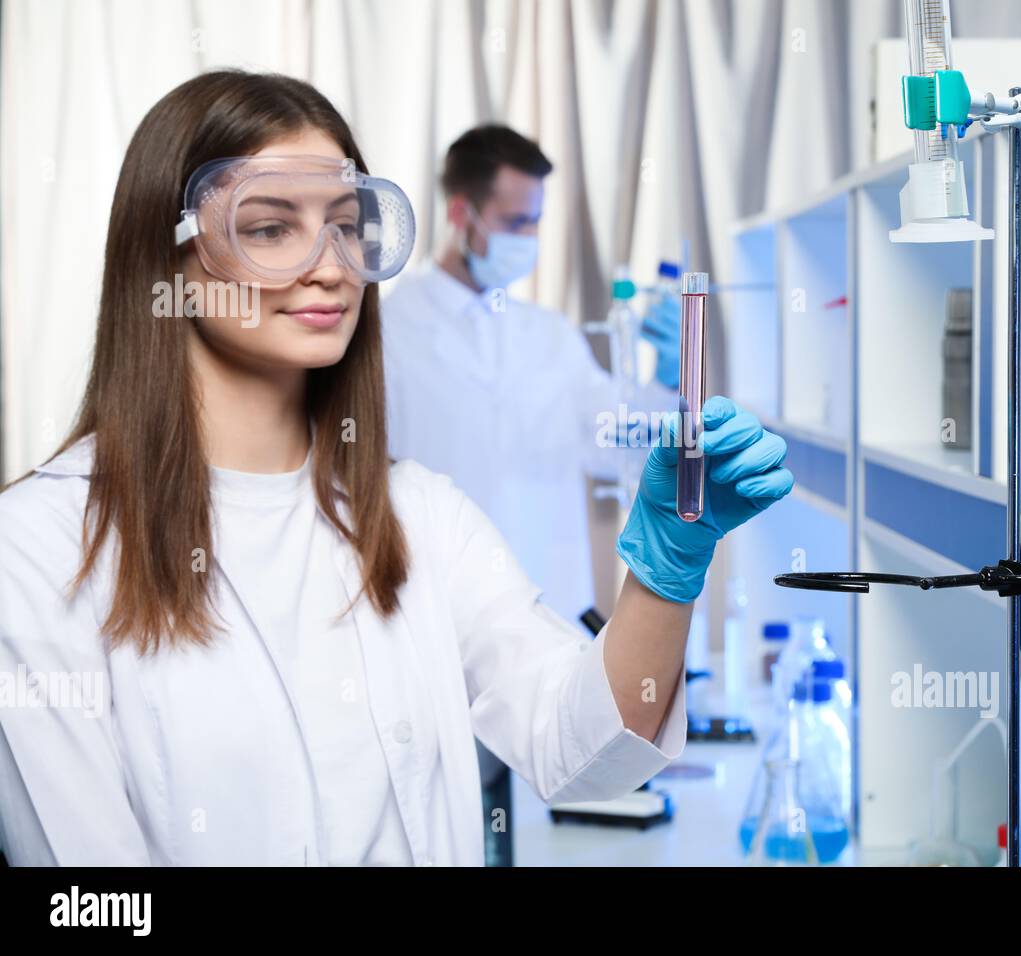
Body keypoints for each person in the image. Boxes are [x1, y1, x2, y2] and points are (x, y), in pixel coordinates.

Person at [0, 70, 793, 866]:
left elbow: (583, 751)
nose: (332, 265)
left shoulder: (422, 516)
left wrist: (668, 564)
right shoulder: (38, 551)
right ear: (166, 256)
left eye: (347, 227)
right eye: (273, 228)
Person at [382, 124, 681, 626]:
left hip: (550, 609)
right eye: (515, 221)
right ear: (461, 212)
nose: (528, 239)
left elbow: (619, 447)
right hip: (431, 615)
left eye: (535, 222)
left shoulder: (551, 336)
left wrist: (670, 381)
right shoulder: (388, 330)